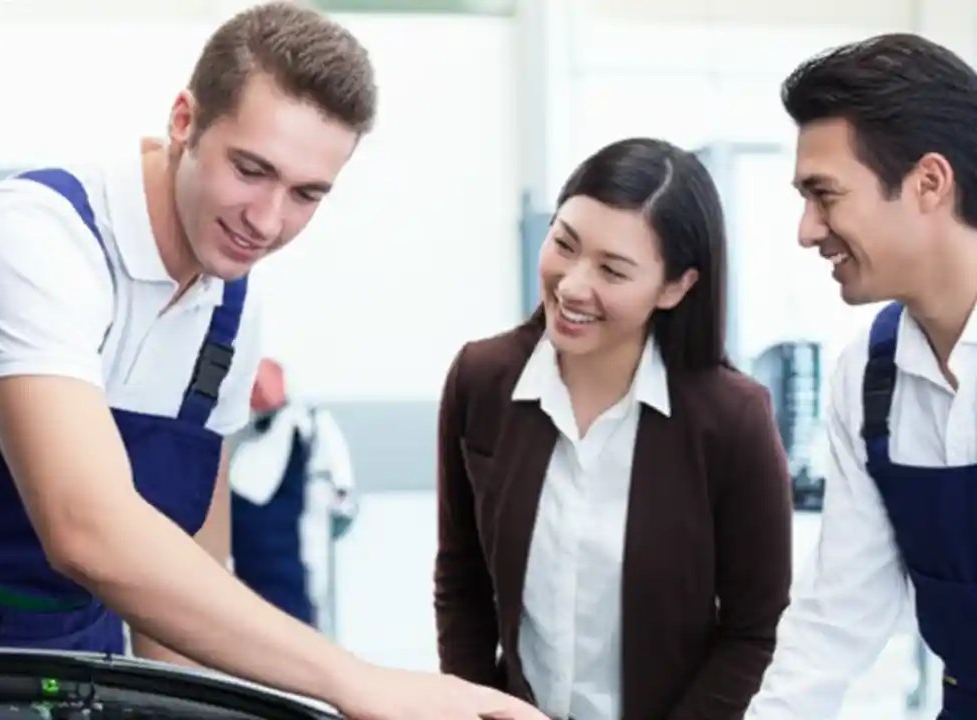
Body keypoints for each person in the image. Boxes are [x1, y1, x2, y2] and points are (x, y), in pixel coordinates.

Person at [0, 3, 548, 718]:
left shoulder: (229, 308)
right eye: (251, 170)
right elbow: (88, 531)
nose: (268, 222)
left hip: (77, 670)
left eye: (306, 194)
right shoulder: (36, 243)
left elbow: (188, 569)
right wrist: (354, 681)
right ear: (184, 120)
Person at [434, 137, 795, 720]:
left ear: (677, 287)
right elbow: (462, 579)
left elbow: (755, 631)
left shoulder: (731, 419)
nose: (574, 286)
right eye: (564, 244)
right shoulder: (484, 381)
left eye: (613, 270)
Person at [745, 33, 977, 720]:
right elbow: (836, 616)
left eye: (825, 195)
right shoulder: (869, 379)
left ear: (928, 183)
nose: (807, 230)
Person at [228, 358, 358, 634]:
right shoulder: (239, 436)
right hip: (249, 580)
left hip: (295, 573)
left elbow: (342, 501)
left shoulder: (311, 425)